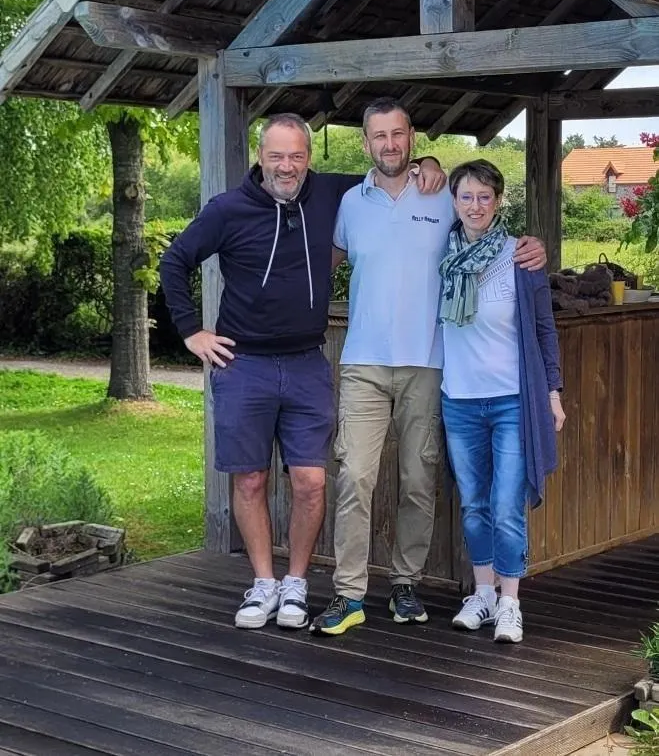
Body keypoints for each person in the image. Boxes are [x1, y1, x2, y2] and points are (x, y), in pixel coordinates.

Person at [159, 113, 444, 631]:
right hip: (243, 363)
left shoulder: (333, 193)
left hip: (307, 362)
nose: (286, 166)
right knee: (250, 479)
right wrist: (190, 331)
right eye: (276, 156)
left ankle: (296, 584)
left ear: (309, 158)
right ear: (260, 157)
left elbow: (391, 166)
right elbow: (174, 261)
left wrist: (429, 161)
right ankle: (263, 582)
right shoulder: (227, 209)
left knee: (312, 482)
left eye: (296, 156)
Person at [309, 99, 547, 636]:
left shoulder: (441, 195)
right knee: (355, 477)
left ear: (412, 137)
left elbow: (487, 225)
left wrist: (534, 247)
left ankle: (405, 584)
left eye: (398, 134)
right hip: (363, 362)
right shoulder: (351, 203)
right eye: (379, 136)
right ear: (365, 142)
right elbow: (322, 264)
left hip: (428, 362)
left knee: (418, 480)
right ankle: (348, 594)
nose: (389, 144)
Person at [439, 158, 565, 644]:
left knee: (507, 504)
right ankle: (483, 593)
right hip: (459, 401)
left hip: (512, 400)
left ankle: (510, 602)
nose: (475, 206)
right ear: (454, 201)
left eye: (484, 197)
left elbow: (544, 330)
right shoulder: (440, 255)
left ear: (498, 201)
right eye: (466, 196)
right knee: (473, 504)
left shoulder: (521, 257)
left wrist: (553, 393)